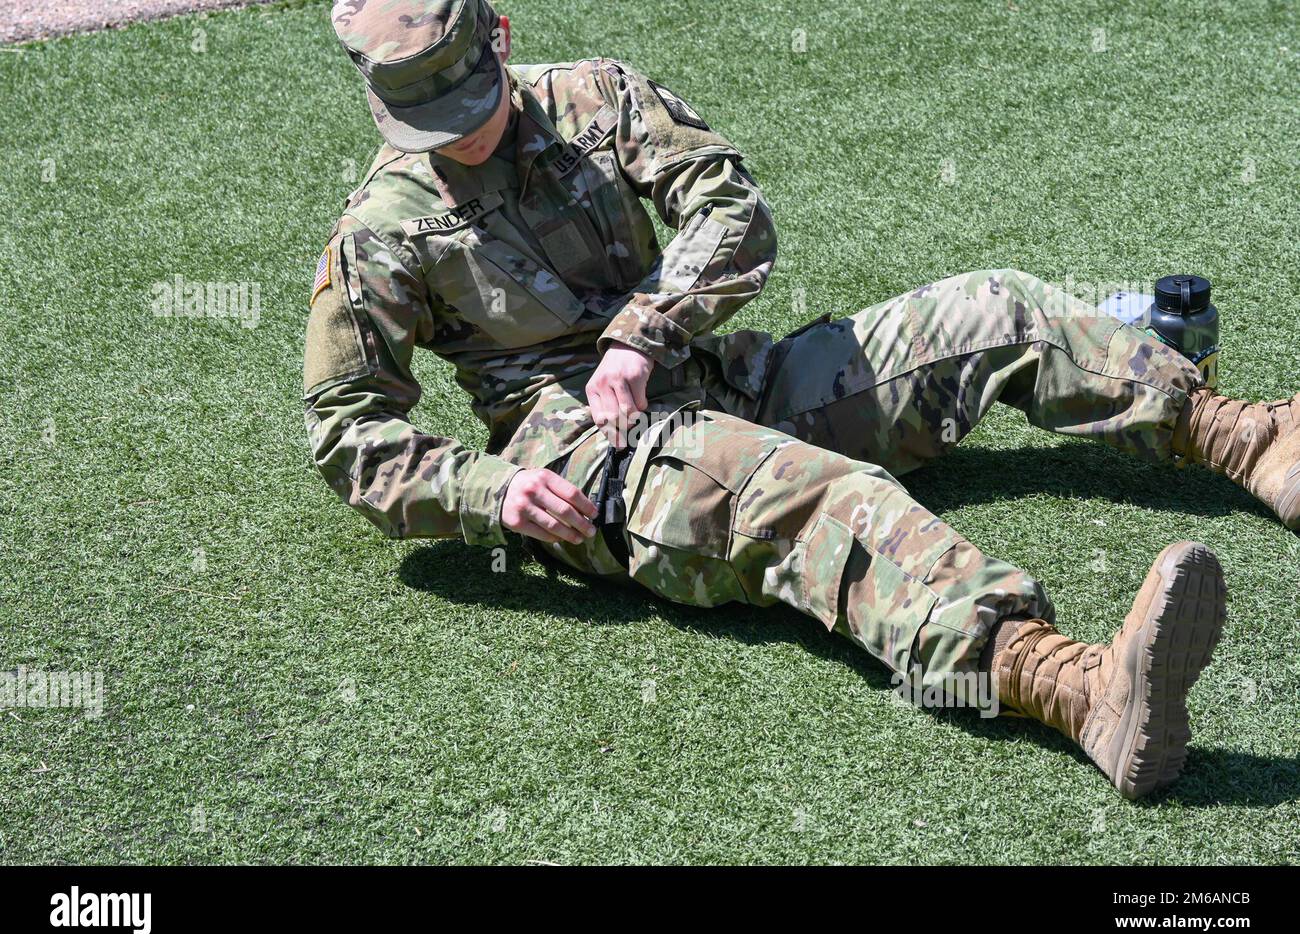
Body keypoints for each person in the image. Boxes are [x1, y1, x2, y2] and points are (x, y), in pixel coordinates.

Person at [306, 0, 1298, 797]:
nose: (461, 136)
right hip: (584, 457)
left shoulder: (594, 95)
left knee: (1000, 310)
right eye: (428, 120)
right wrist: (491, 492)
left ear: (502, 37)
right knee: (819, 495)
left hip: (710, 371)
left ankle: (1248, 440)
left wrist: (641, 330)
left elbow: (730, 206)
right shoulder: (380, 231)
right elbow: (349, 429)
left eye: (471, 103)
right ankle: (1073, 686)